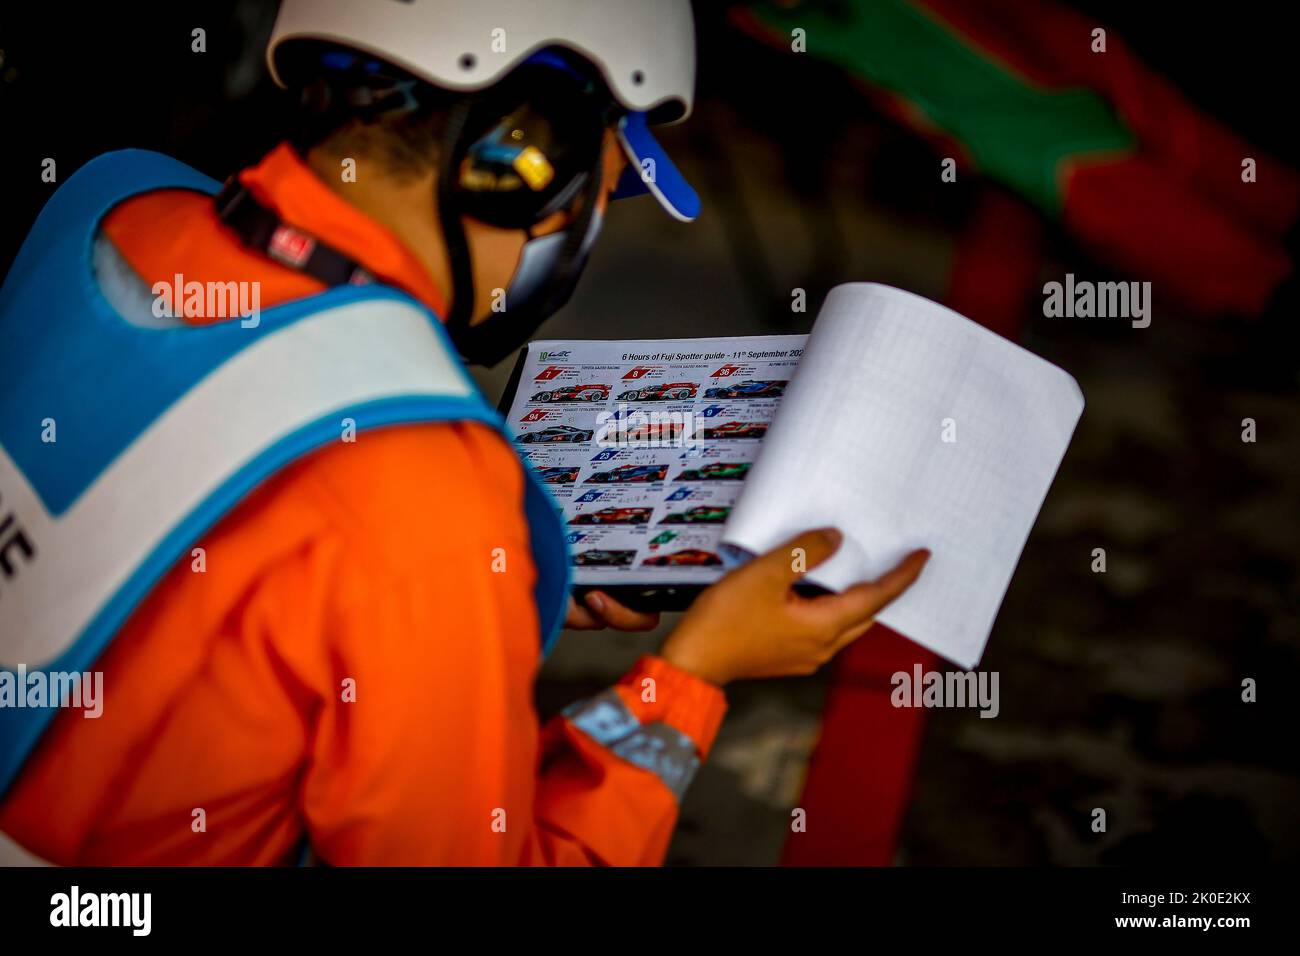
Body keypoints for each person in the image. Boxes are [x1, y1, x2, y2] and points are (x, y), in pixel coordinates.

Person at [0, 0, 928, 865]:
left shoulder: (112, 204)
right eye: (596, 191)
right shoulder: (426, 501)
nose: (584, 234)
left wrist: (488, 573)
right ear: (513, 159)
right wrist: (695, 675)